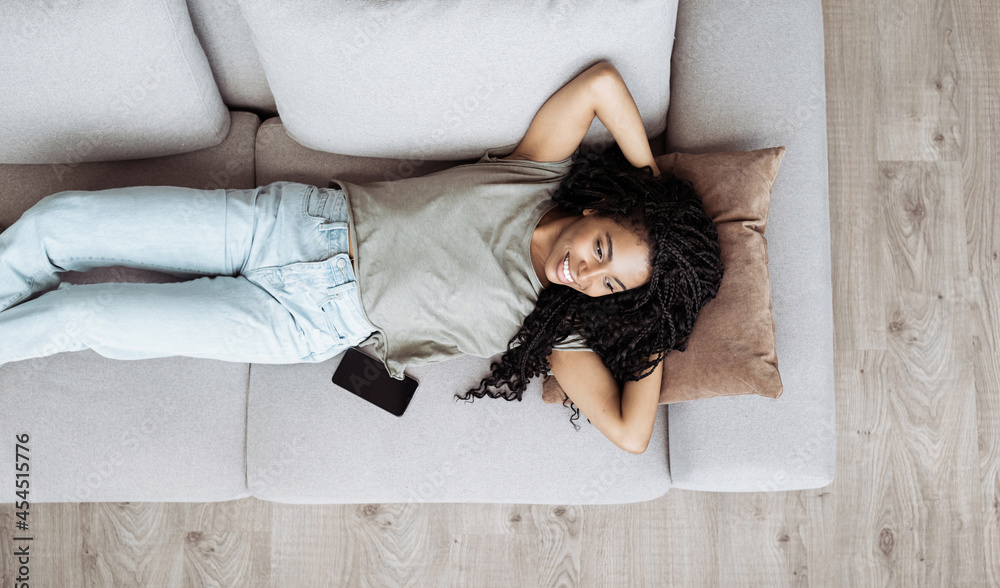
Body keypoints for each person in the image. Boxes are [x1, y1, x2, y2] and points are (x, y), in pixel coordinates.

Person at [0, 61, 722, 453]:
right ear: (602, 211)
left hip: (299, 322)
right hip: (290, 226)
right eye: (603, 249)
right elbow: (601, 86)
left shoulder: (558, 329)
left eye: (609, 284)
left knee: (86, 314)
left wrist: (654, 323)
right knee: (61, 222)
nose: (587, 274)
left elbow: (631, 434)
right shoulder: (538, 173)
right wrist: (652, 190)